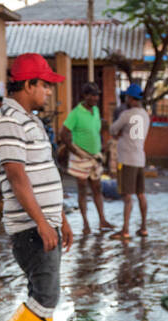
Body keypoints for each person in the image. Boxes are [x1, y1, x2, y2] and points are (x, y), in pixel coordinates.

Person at [0, 52, 74, 321]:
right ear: (28, 84)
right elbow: (16, 175)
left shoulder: (31, 120)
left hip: (45, 222)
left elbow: (44, 174)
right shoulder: (7, 120)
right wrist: (40, 221)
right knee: (46, 295)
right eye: (45, 85)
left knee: (43, 292)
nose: (49, 92)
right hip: (30, 227)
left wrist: (59, 218)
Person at [60, 82, 112, 233]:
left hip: (95, 157)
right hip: (80, 157)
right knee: (82, 189)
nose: (96, 98)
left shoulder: (95, 110)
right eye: (93, 95)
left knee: (97, 188)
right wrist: (74, 151)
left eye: (97, 95)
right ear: (85, 96)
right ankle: (85, 224)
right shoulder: (75, 113)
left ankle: (102, 220)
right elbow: (64, 133)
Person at [111, 83, 150, 241]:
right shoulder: (145, 115)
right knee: (141, 194)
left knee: (127, 196)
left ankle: (125, 230)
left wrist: (119, 132)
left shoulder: (126, 115)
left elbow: (113, 130)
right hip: (140, 158)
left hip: (127, 159)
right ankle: (143, 227)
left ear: (131, 98)